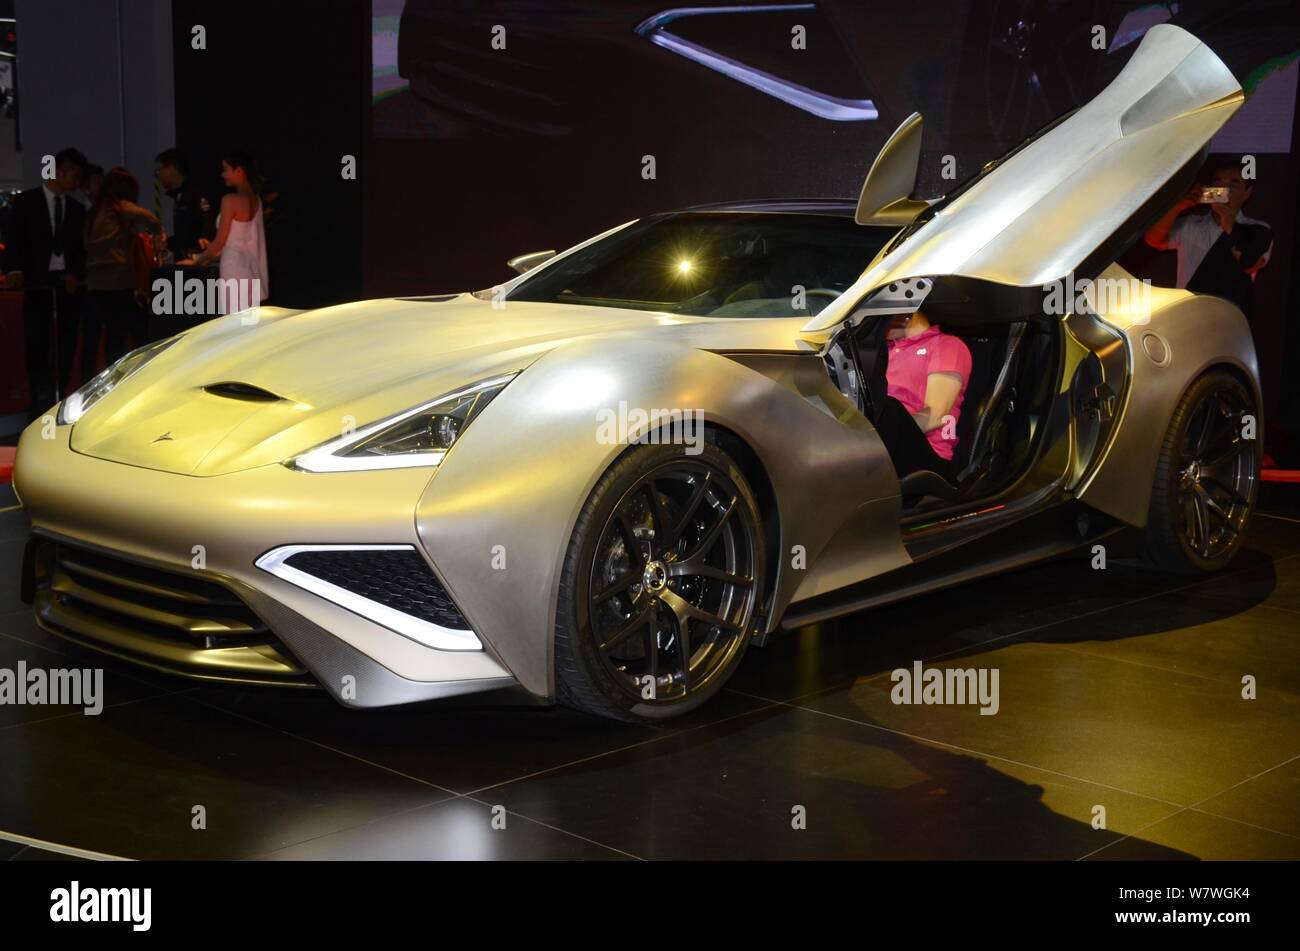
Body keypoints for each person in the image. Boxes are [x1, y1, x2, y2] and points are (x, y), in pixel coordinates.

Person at [3, 146, 88, 416]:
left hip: (67, 283)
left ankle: (60, 393)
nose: (77, 183)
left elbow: (80, 248)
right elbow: (14, 239)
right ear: (62, 172)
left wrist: (76, 273)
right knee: (36, 339)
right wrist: (14, 269)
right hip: (37, 279)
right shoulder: (27, 202)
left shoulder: (76, 209)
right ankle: (39, 395)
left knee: (66, 338)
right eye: (75, 176)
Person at [1144, 160, 1272, 319]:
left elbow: (1250, 264)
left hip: (1229, 319)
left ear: (1247, 193)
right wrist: (1178, 205)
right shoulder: (1191, 224)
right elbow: (1153, 239)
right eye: (1217, 183)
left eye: (1233, 185)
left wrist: (1229, 223)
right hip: (1187, 313)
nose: (1224, 190)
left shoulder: (1257, 229)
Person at [873, 309, 972, 481]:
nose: (876, 328)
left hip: (928, 456)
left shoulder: (947, 345)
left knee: (890, 409)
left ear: (905, 314)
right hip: (886, 446)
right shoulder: (883, 351)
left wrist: (876, 436)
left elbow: (936, 415)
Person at [83, 167, 163, 375]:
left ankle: (112, 379)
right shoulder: (120, 207)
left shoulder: (94, 211)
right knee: (138, 332)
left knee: (113, 335)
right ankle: (140, 376)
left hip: (95, 285)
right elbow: (151, 220)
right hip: (119, 281)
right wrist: (156, 236)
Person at [179, 150, 269, 313]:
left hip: (233, 271)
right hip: (250, 272)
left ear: (239, 171)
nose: (222, 174)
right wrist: (207, 258)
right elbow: (236, 243)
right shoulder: (256, 200)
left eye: (225, 169)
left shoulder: (230, 200)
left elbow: (220, 242)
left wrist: (195, 263)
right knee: (248, 326)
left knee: (233, 325)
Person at [155, 147, 216, 259]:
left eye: (159, 169)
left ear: (171, 168)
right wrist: (166, 245)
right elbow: (183, 236)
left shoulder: (196, 193)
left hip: (196, 263)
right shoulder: (177, 197)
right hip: (182, 261)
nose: (158, 174)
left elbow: (208, 218)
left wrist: (205, 237)